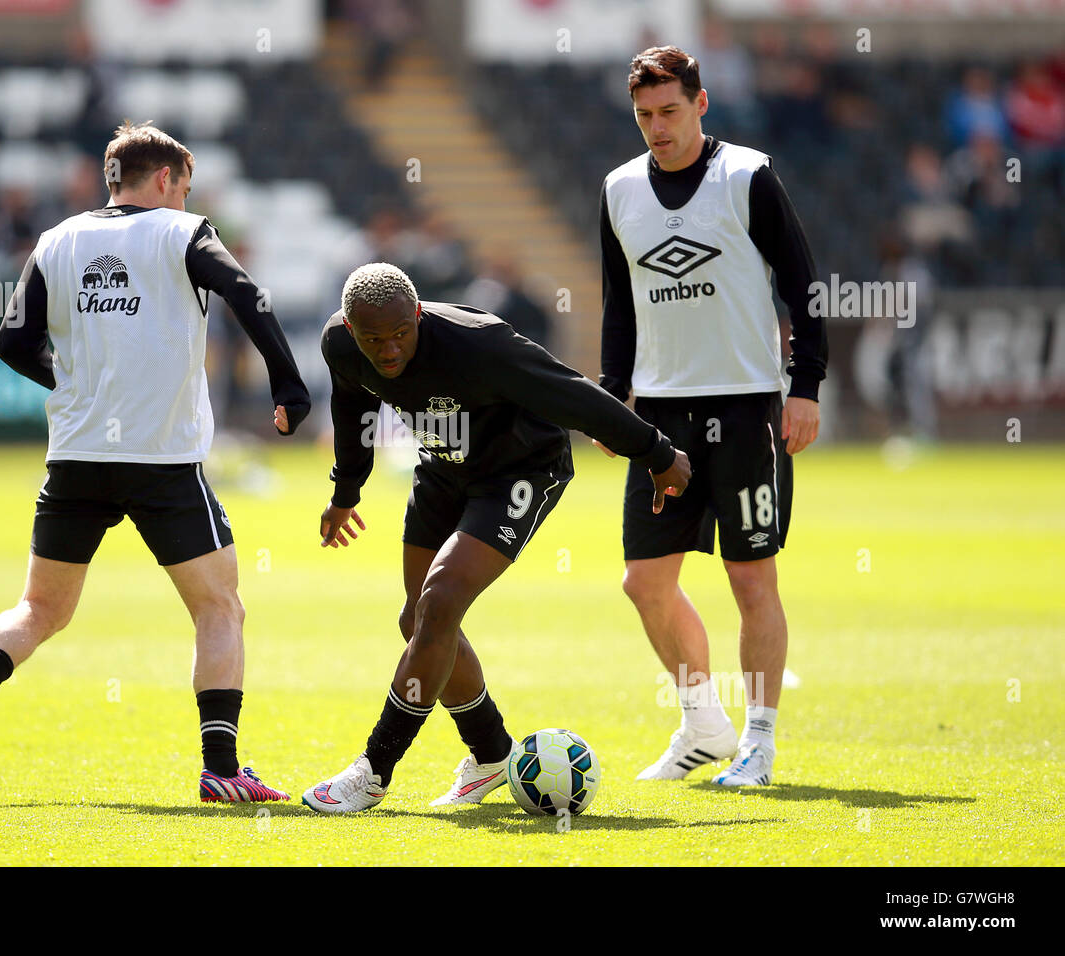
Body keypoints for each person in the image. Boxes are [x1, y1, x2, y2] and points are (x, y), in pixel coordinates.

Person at [0, 122, 311, 802]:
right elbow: (248, 294)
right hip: (161, 457)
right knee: (219, 607)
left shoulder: (56, 240)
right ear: (164, 181)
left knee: (39, 609)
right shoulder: (181, 233)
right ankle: (221, 768)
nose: (187, 202)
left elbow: (13, 343)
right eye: (184, 189)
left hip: (76, 457)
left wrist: (77, 387)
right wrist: (286, 382)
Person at [301, 262, 691, 813]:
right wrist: (346, 491)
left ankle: (373, 771)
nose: (387, 352)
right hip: (441, 467)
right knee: (417, 619)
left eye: (398, 336)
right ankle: (491, 754)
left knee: (438, 604)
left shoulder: (480, 344)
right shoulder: (341, 344)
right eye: (372, 340)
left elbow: (572, 394)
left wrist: (657, 452)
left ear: (417, 314)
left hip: (519, 470)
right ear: (351, 329)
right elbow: (352, 403)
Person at [599, 47, 827, 787]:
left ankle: (759, 743)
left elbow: (803, 283)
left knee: (750, 576)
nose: (656, 129)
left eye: (669, 111)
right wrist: (611, 396)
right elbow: (618, 303)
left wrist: (806, 386)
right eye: (643, 116)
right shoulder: (619, 189)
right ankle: (704, 724)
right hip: (662, 416)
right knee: (643, 583)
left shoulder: (747, 177)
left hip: (746, 402)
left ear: (701, 104)